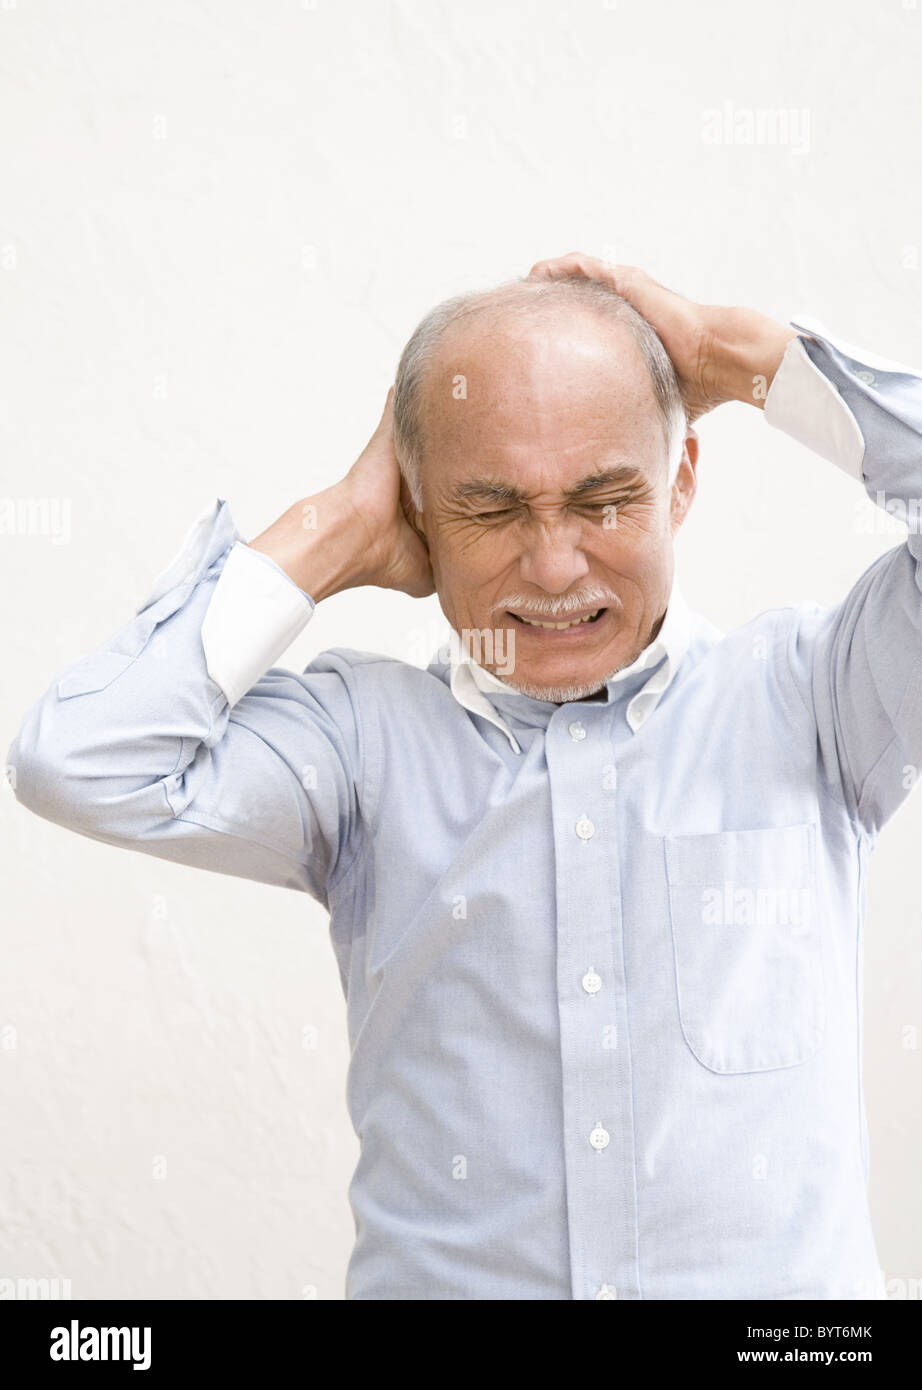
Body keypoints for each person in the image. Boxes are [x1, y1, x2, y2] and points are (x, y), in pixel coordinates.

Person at [9, 253, 919, 1300]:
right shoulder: (358, 745)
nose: (553, 566)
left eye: (604, 500)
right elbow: (76, 760)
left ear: (680, 483)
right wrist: (334, 529)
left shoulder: (817, 699)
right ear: (422, 521)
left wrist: (743, 360)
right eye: (489, 512)